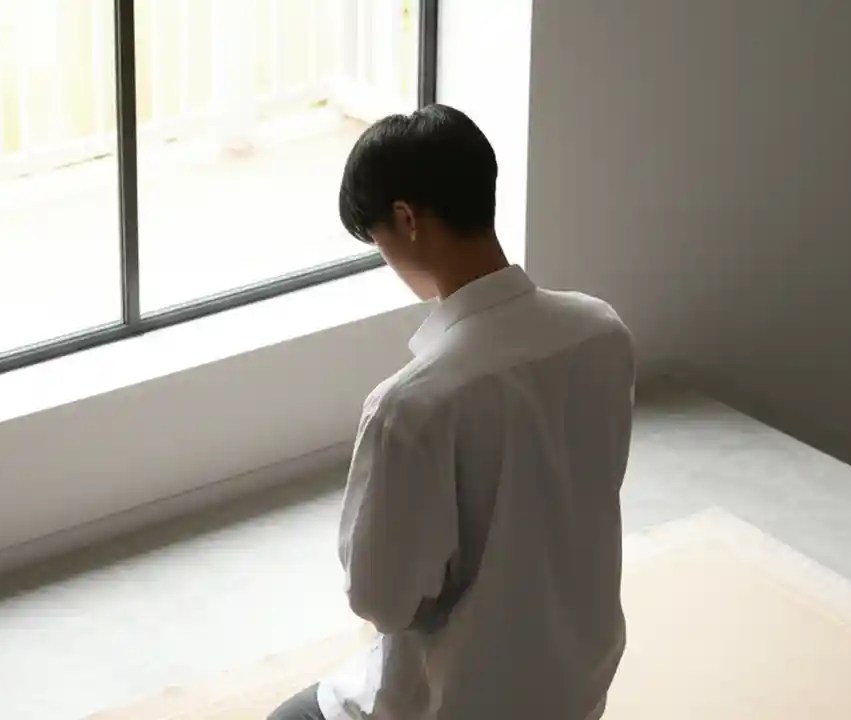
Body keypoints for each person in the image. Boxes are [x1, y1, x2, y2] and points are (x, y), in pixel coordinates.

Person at [269, 104, 635, 720]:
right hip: (577, 692)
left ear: (406, 220)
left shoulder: (411, 405)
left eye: (378, 240)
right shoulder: (603, 333)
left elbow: (382, 601)